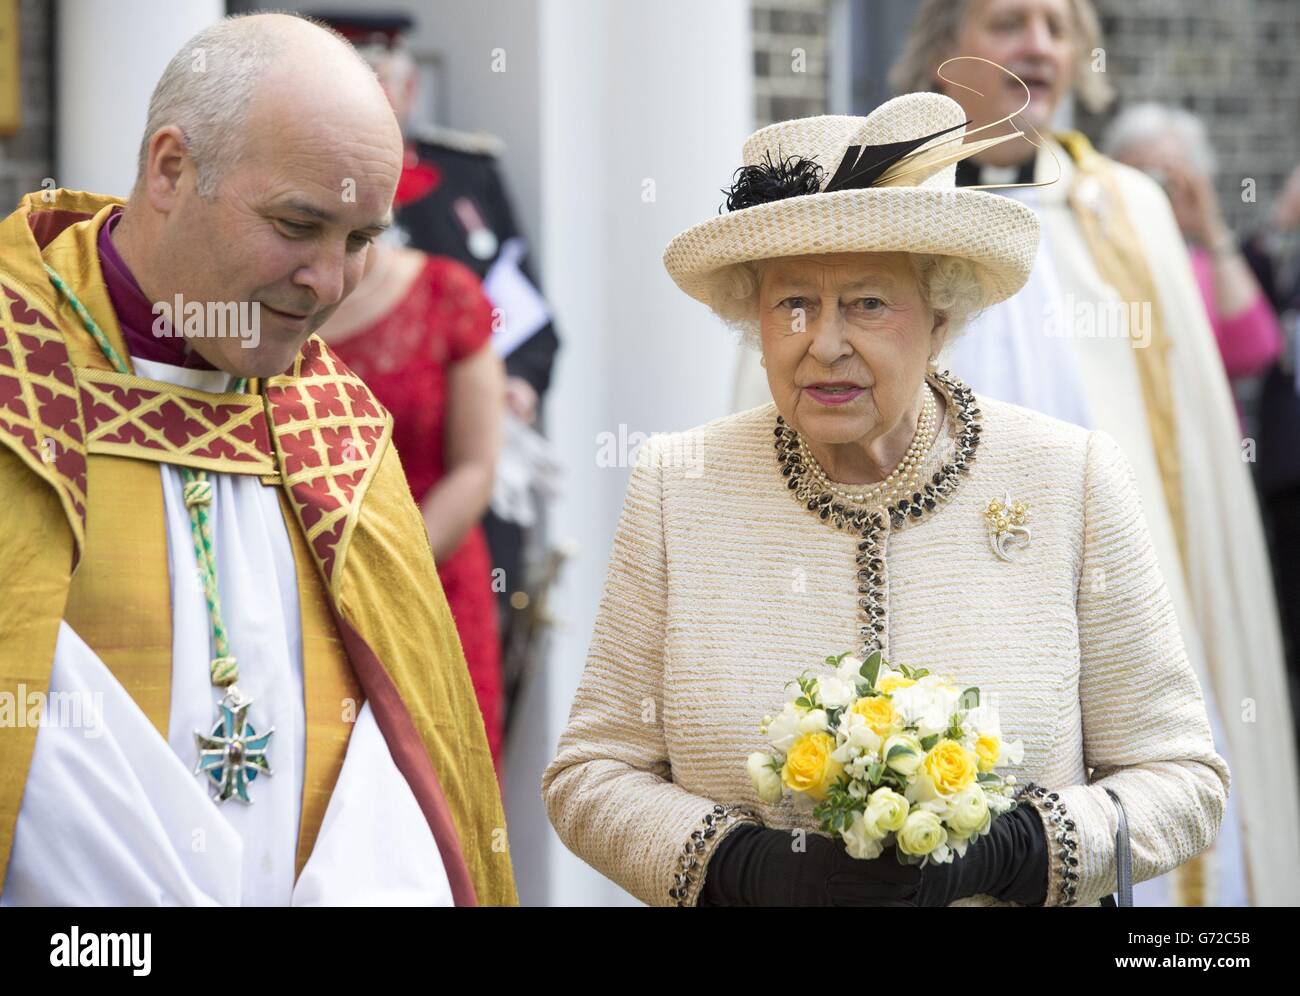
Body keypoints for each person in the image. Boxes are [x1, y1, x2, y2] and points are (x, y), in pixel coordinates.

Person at [542, 89, 1229, 907]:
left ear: (941, 316)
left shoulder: (1066, 476)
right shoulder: (676, 484)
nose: (824, 343)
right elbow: (590, 776)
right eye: (792, 303)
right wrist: (740, 867)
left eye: (867, 303)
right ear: (753, 319)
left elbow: (1183, 779)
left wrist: (1019, 850)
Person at [0, 12, 515, 906]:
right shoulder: (18, 376)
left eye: (359, 241)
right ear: (170, 169)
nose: (328, 283)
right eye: (297, 224)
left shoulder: (339, 432)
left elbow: (410, 783)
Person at [867, 0, 1294, 907]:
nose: (1039, 45)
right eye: (1008, 21)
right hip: (926, 602)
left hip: (1103, 604)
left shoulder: (1127, 215)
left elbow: (1190, 452)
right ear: (946, 48)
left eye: (1058, 26)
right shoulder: (881, 204)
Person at [316, 238, 508, 776]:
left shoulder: (445, 292)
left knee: (440, 788)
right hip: (302, 585)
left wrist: (381, 572)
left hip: (432, 580)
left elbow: (475, 467)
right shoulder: (255, 301)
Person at [1103, 102, 1283, 428]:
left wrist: (1209, 227)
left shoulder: (1206, 266)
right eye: (1138, 176)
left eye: (1167, 178)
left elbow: (1255, 351)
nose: (1152, 194)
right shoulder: (1095, 259)